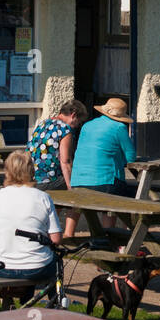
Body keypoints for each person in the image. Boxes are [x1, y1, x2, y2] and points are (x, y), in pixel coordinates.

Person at [0, 150, 62, 303]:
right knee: (52, 260)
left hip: (3, 267)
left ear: (7, 171)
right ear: (31, 171)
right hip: (36, 267)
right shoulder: (43, 197)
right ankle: (55, 303)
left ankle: (21, 304)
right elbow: (56, 239)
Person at [67, 97, 137, 237]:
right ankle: (113, 238)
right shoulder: (119, 127)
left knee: (85, 202)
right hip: (105, 182)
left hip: (78, 181)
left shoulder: (87, 125)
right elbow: (131, 157)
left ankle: (69, 234)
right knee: (131, 194)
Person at [27, 100, 87, 189]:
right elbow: (65, 161)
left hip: (33, 180)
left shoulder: (42, 124)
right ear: (73, 115)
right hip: (50, 181)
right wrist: (71, 188)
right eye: (79, 122)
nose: (77, 126)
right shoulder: (65, 129)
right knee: (82, 183)